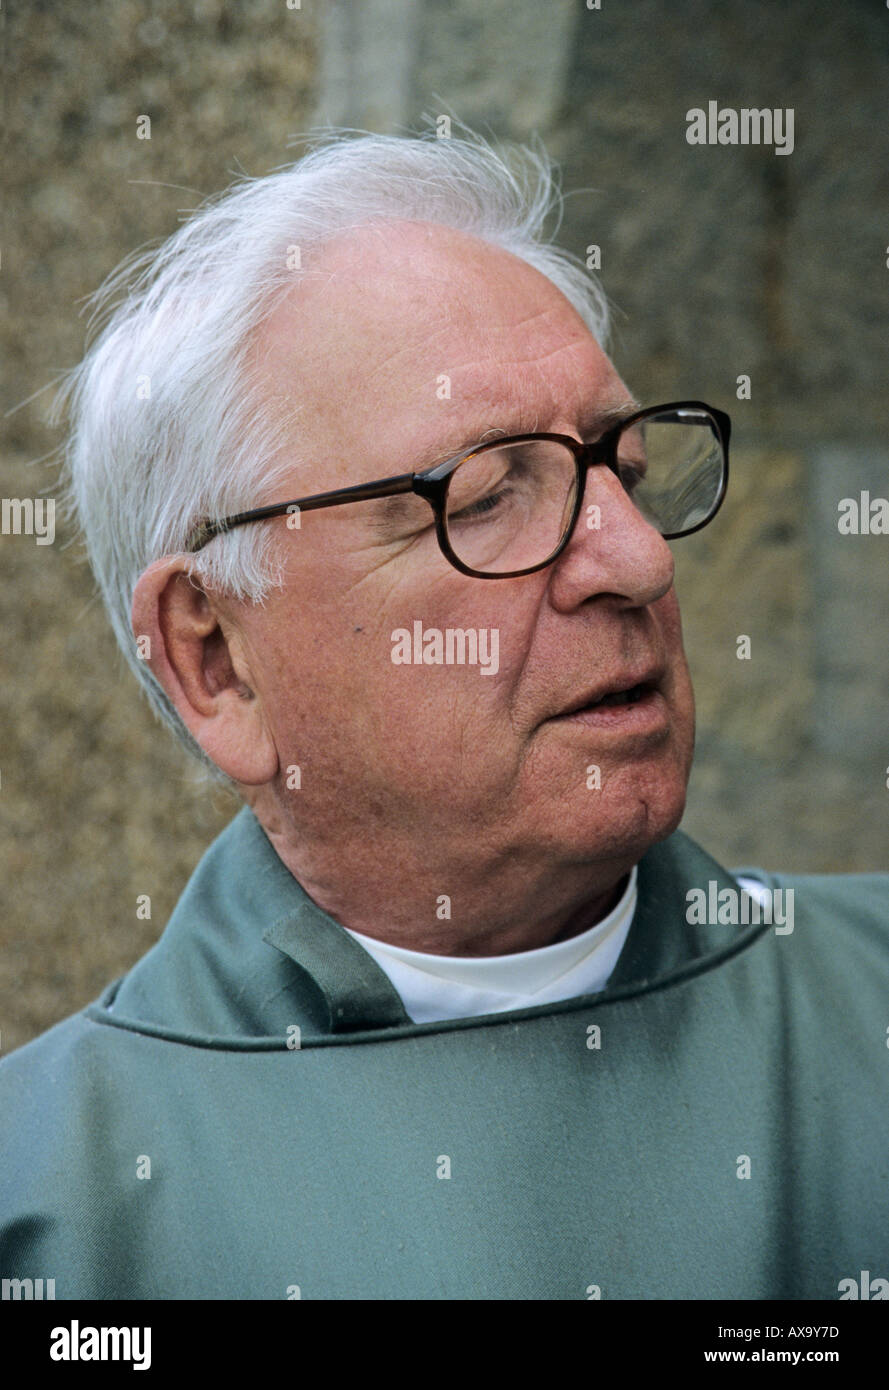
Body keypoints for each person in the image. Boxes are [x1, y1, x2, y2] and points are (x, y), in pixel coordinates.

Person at [1, 131, 887, 1301]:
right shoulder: (50, 1213)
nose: (632, 559)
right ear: (216, 659)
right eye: (484, 495)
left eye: (620, 464)